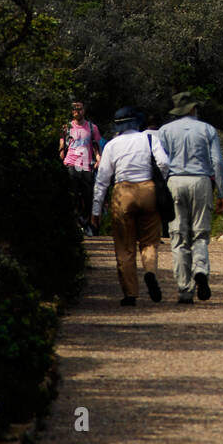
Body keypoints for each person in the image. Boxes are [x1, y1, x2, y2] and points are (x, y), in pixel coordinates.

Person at [91, 107, 170, 306]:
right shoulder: (149, 139)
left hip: (123, 192)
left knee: (125, 247)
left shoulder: (111, 145)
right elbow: (164, 163)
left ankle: (130, 294)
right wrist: (158, 182)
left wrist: (96, 210)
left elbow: (102, 180)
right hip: (148, 191)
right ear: (136, 122)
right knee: (149, 242)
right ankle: (150, 272)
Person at [158, 92, 223, 304]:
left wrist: (160, 190)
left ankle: (185, 289)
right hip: (201, 181)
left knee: (178, 236)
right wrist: (222, 192)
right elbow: (217, 162)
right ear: (192, 109)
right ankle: (200, 270)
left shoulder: (165, 131)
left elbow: (161, 162)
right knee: (200, 233)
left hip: (175, 181)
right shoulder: (207, 129)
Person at [59, 100, 102, 236]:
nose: (77, 112)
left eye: (80, 109)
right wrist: (61, 159)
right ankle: (73, 224)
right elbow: (62, 146)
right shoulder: (67, 127)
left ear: (84, 110)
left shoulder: (92, 128)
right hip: (71, 163)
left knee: (88, 196)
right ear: (72, 111)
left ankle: (85, 223)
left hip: (86, 165)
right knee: (73, 195)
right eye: (75, 109)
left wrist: (98, 159)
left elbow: (96, 146)